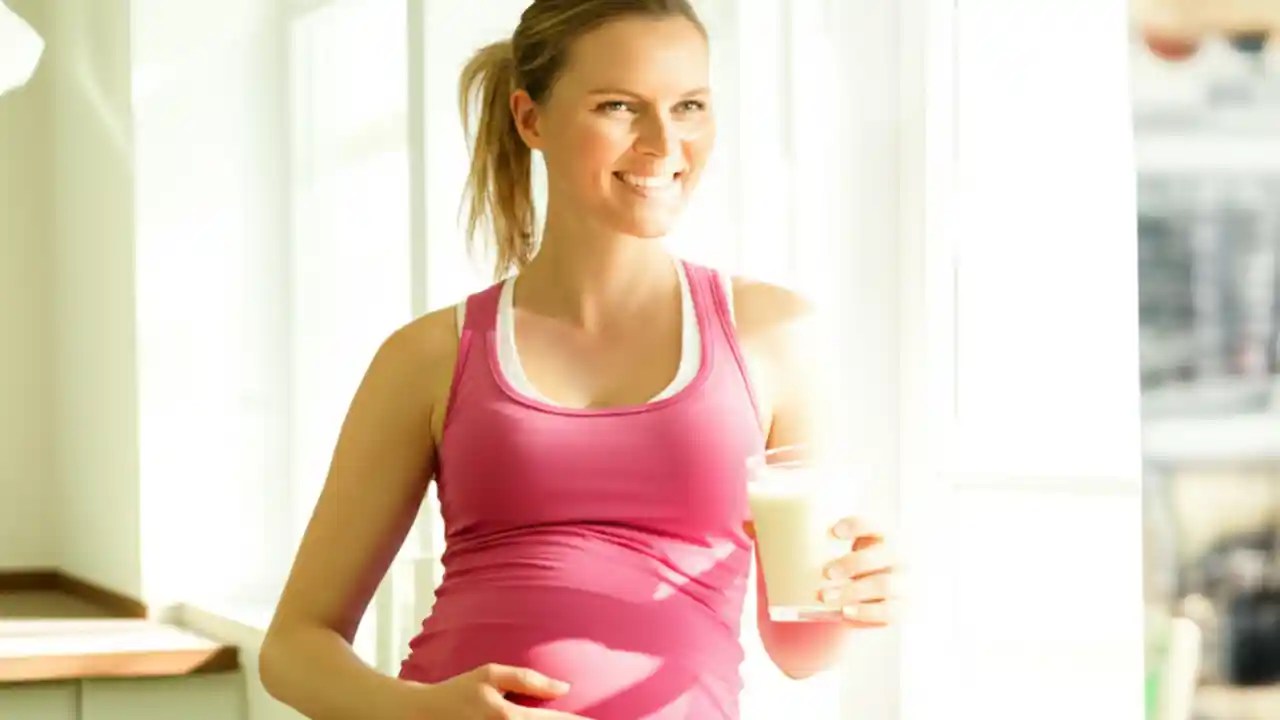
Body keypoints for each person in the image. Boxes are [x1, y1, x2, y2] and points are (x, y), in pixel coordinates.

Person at [258, 1, 899, 718]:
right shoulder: (431, 356)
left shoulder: (773, 333)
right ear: (531, 119)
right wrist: (424, 713)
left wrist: (848, 594)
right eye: (620, 106)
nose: (663, 144)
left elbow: (800, 651)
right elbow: (292, 648)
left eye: (689, 105)